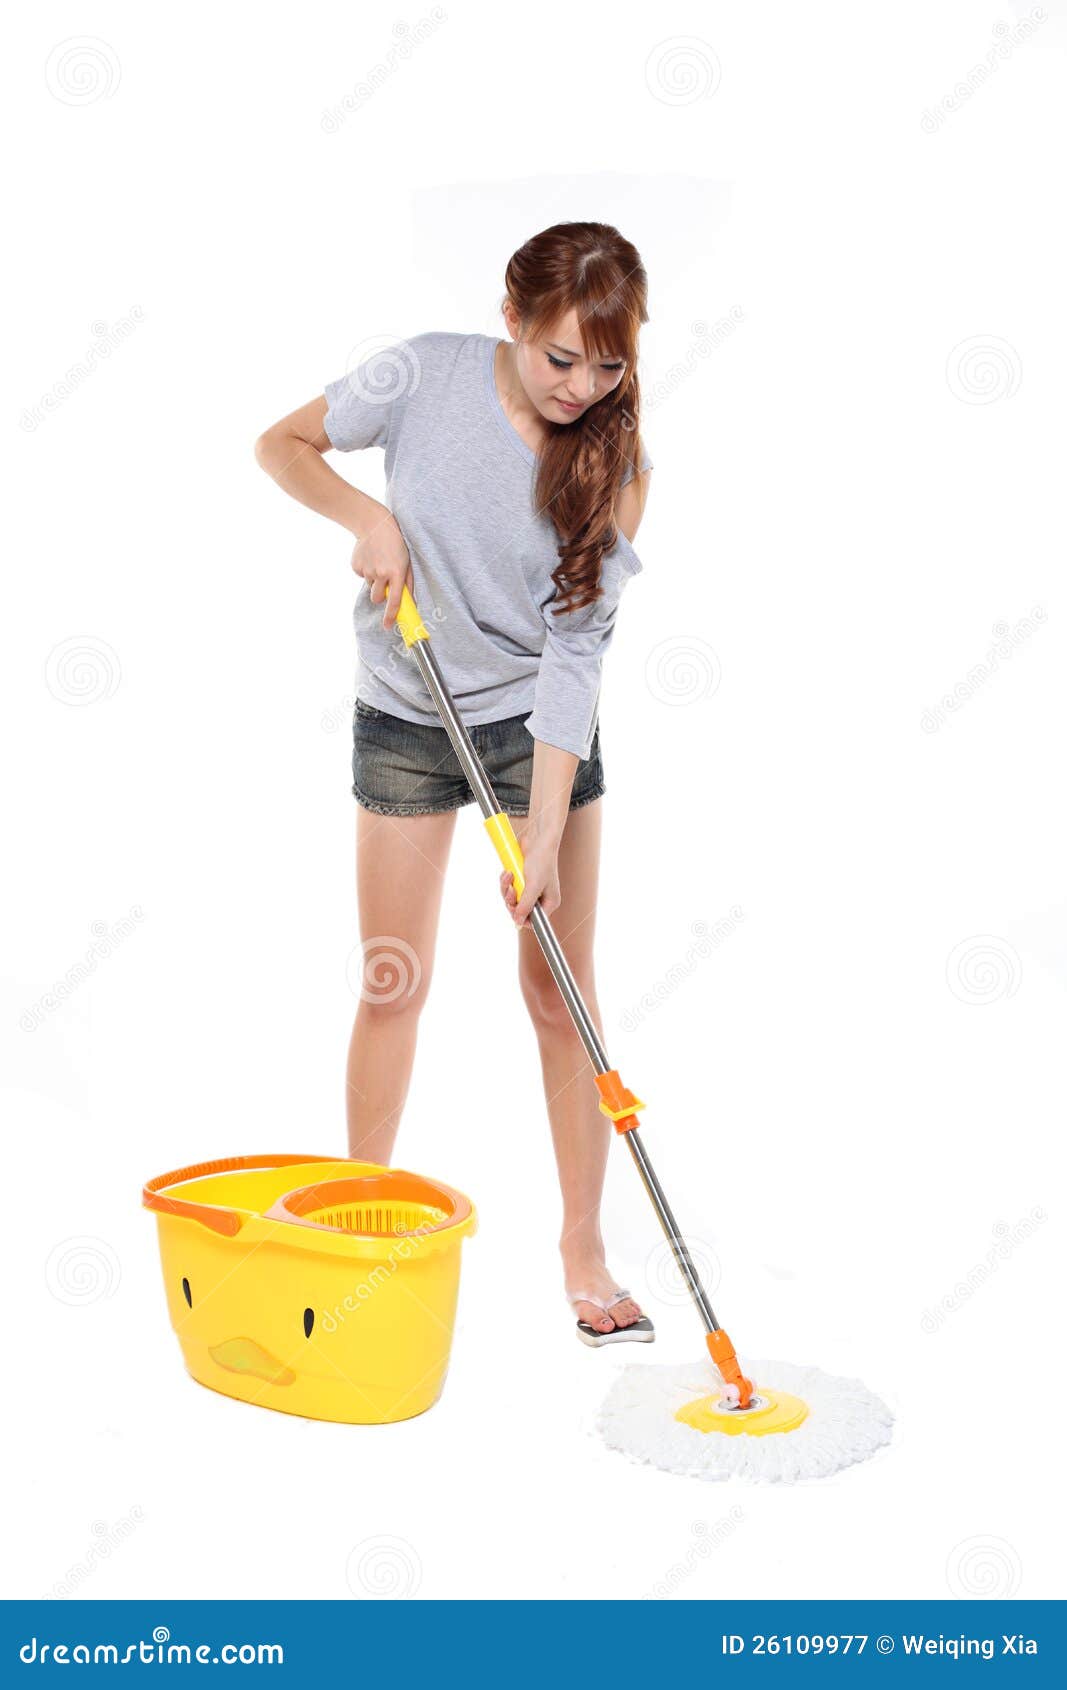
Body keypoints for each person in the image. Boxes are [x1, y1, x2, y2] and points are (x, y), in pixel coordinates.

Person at [255, 221, 654, 1345]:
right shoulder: (420, 373)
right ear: (511, 318)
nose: (581, 386)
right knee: (392, 980)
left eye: (609, 364)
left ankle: (582, 1245)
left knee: (556, 989)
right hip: (405, 707)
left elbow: (576, 657)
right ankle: (352, 1218)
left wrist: (534, 834)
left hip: (538, 730)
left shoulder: (613, 461)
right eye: (558, 357)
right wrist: (366, 515)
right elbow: (280, 443)